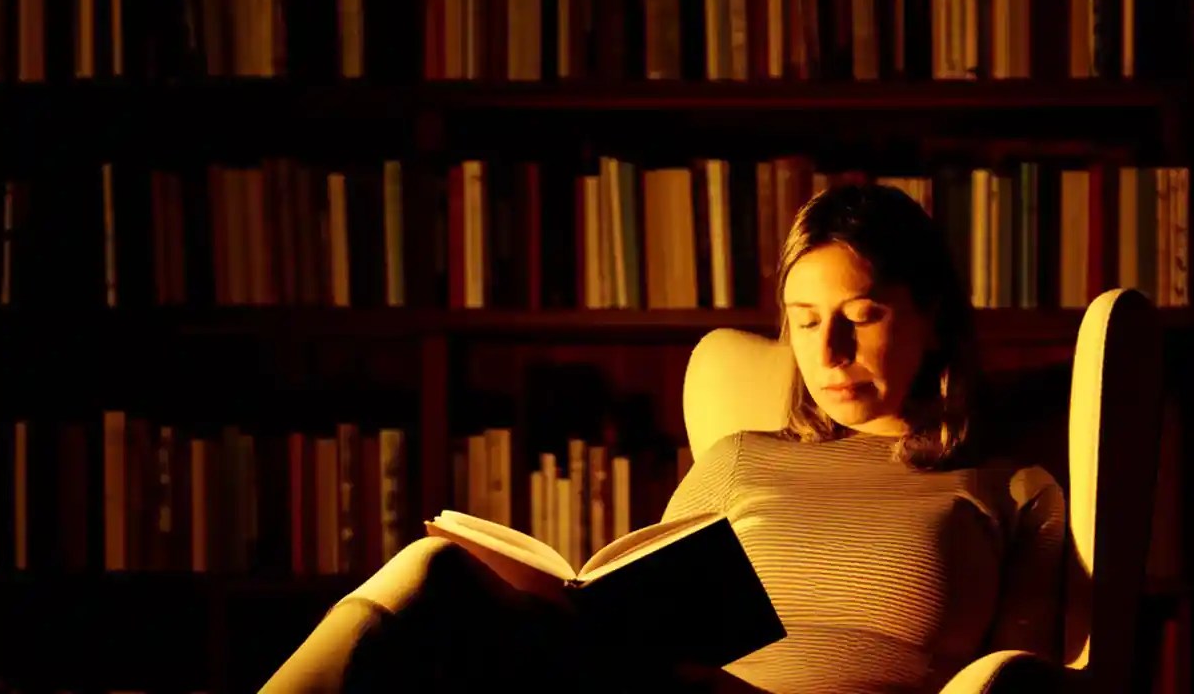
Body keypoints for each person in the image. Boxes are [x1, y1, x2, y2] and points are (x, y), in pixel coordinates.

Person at [261, 184, 1066, 693]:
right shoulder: (741, 459)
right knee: (434, 570)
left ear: (931, 318)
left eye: (863, 315)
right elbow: (636, 620)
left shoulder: (1009, 488)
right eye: (805, 321)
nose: (829, 352)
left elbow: (1027, 681)